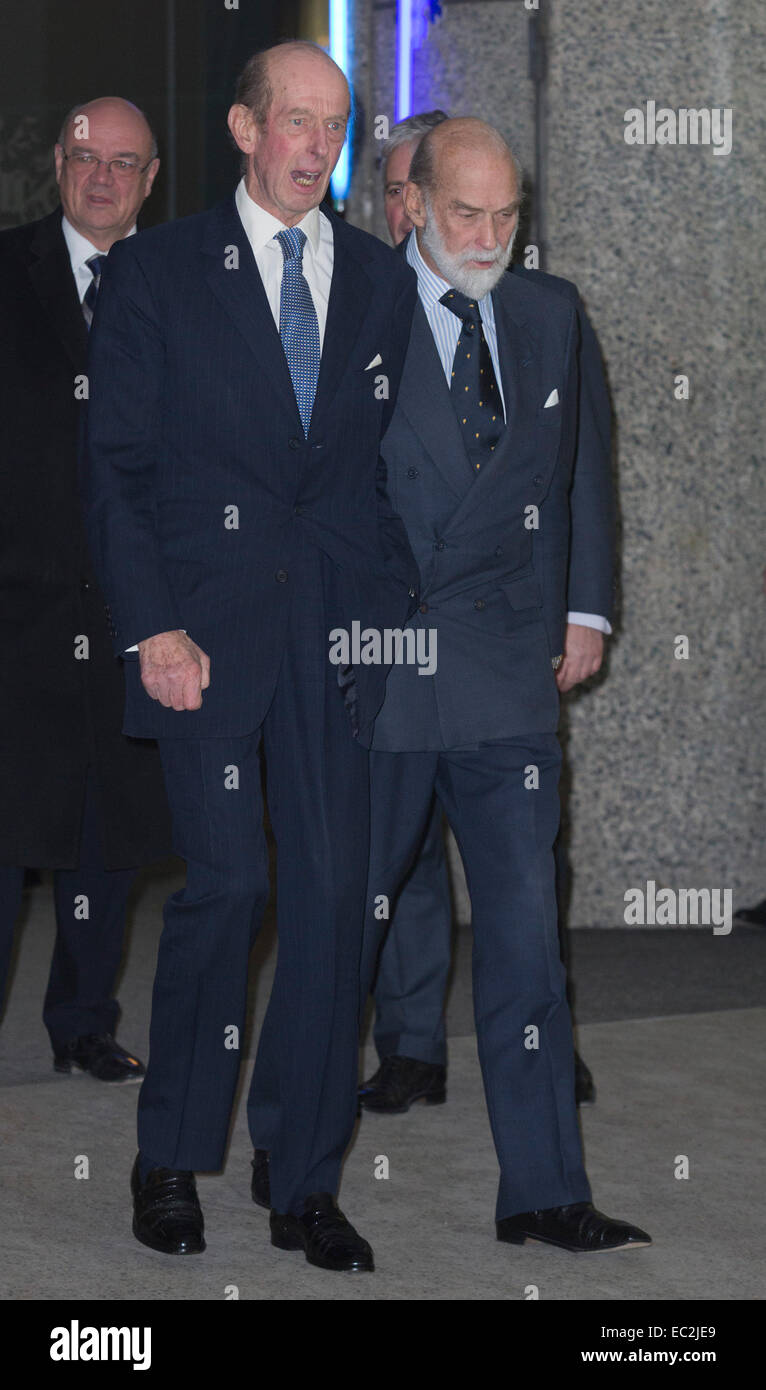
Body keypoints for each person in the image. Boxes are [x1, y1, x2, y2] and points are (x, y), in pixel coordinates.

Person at [83, 41, 418, 1272]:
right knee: (227, 888)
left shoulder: (378, 281)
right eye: (293, 121)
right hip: (202, 640)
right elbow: (116, 473)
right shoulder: (160, 272)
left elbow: (380, 475)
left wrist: (388, 619)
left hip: (335, 637)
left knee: (334, 905)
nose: (313, 146)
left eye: (333, 127)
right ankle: (168, 1155)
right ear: (241, 126)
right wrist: (151, 626)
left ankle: (302, 1168)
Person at [358, 117, 650, 1252]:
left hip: (503, 665)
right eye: (463, 214)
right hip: (384, 661)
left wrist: (584, 606)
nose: (485, 237)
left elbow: (581, 467)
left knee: (525, 935)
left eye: (504, 217)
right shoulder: (353, 307)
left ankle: (542, 1188)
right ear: (412, 206)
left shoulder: (548, 313)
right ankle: (295, 1162)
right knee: (345, 924)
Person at [0, 97, 170, 1082]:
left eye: (123, 162)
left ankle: (85, 1022)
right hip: (16, 600)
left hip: (130, 609)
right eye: (83, 158)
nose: (100, 177)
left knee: (106, 834)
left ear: (151, 179)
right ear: (55, 166)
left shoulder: (188, 282)